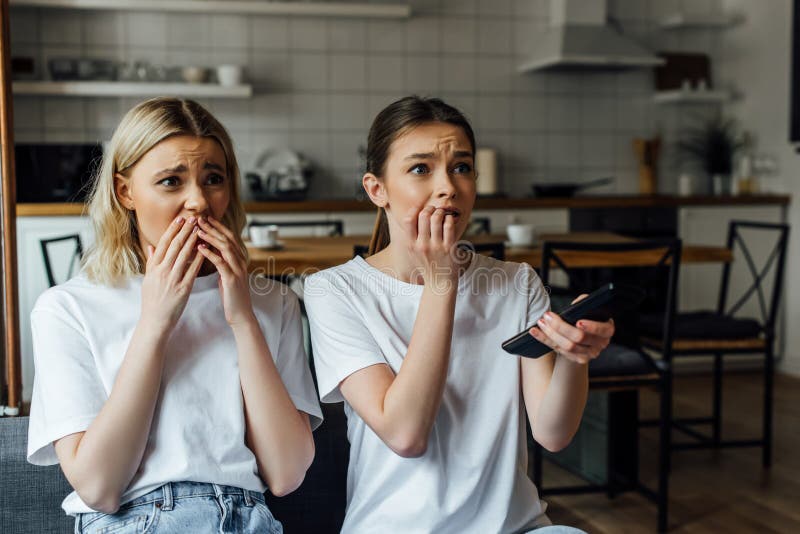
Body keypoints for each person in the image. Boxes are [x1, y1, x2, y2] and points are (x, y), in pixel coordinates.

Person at [303, 96, 614, 533]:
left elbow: (553, 433)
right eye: (420, 169)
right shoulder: (334, 290)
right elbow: (405, 435)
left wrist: (575, 358)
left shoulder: (517, 282)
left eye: (462, 167)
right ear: (377, 190)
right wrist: (442, 283)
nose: (448, 186)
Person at [26, 97, 322, 534]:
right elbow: (99, 487)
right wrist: (155, 323)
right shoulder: (66, 309)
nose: (198, 202)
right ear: (125, 191)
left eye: (213, 179)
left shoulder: (273, 305)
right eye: (170, 181)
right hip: (132, 521)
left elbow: (286, 474)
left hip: (248, 518)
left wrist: (243, 320)